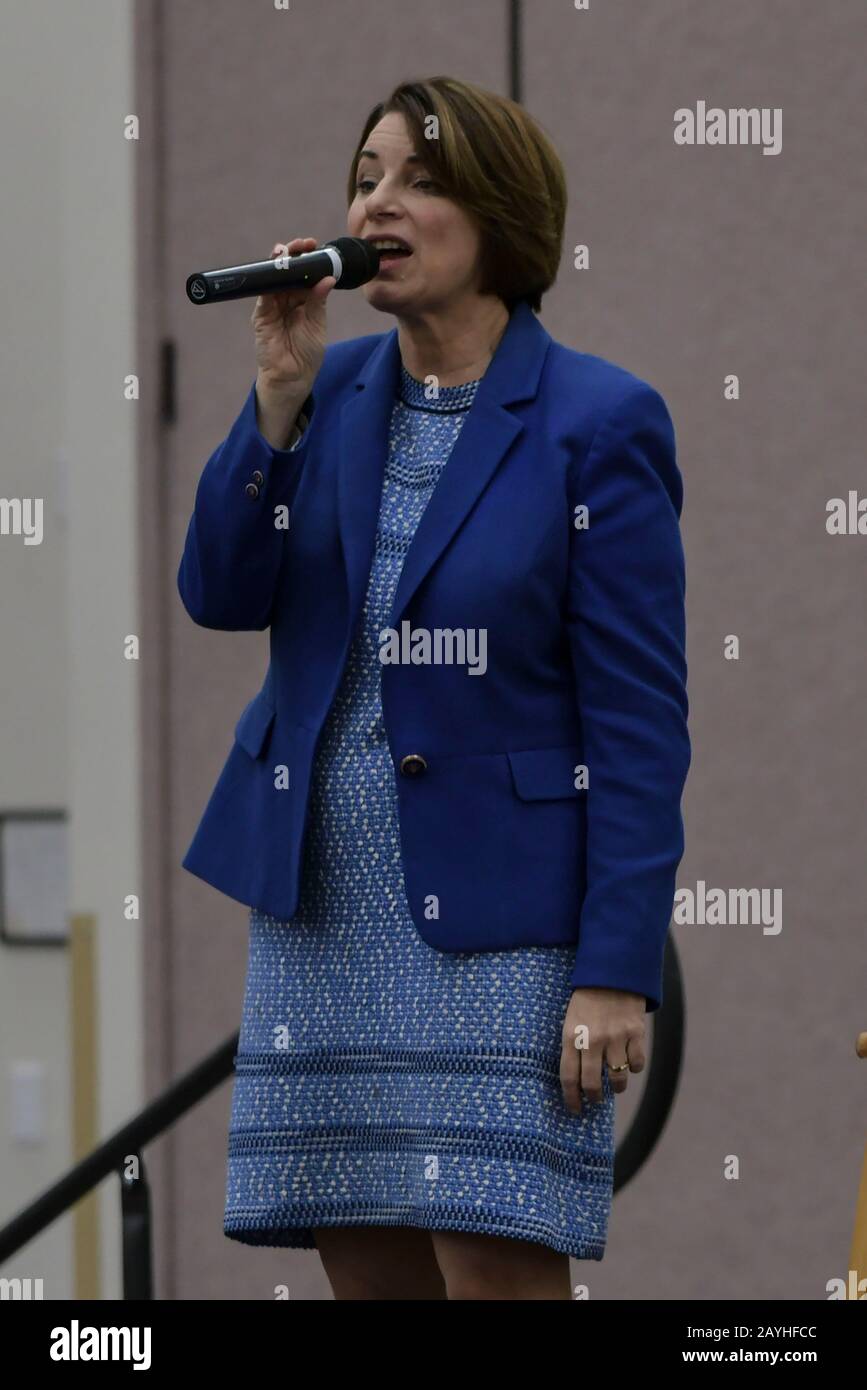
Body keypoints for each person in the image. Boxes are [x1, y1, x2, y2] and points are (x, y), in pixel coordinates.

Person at [178, 75, 690, 1301]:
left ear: (500, 215)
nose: (379, 203)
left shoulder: (597, 421)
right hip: (324, 912)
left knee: (495, 1269)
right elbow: (216, 590)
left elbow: (638, 724)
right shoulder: (335, 389)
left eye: (419, 177)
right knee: (368, 1271)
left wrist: (616, 965)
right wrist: (277, 398)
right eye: (365, 178)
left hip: (502, 933)